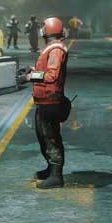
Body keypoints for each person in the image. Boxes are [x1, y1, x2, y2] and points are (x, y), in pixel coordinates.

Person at [26, 17, 71, 189]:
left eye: (44, 27)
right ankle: (51, 169)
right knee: (43, 137)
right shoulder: (51, 48)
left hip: (50, 101)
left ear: (48, 30)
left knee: (51, 138)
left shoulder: (56, 49)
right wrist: (33, 70)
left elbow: (52, 75)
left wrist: (30, 77)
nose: (42, 30)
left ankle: (56, 176)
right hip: (44, 100)